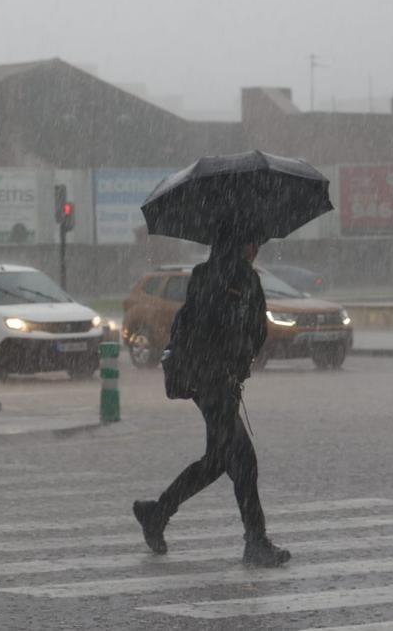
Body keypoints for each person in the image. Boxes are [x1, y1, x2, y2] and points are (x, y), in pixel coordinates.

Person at [132, 234, 291, 567]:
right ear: (239, 243)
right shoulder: (230, 278)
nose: (256, 247)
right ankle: (255, 541)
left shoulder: (217, 275)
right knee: (243, 461)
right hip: (213, 382)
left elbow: (250, 330)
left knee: (218, 460)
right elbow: (228, 329)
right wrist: (237, 348)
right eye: (252, 241)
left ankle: (157, 513)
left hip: (214, 381)